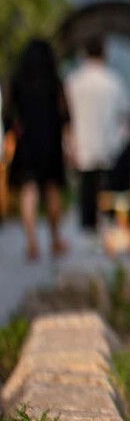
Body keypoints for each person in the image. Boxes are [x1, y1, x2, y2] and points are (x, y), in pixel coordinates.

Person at [5, 38, 70, 261]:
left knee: (28, 190)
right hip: (50, 141)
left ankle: (31, 242)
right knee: (51, 189)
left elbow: (8, 114)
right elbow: (65, 115)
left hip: (26, 141)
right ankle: (54, 239)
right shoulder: (54, 81)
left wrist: (12, 134)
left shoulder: (18, 80)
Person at [65, 36, 130, 234]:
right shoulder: (114, 82)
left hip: (82, 143)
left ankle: (88, 228)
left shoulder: (73, 81)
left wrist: (69, 145)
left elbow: (67, 117)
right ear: (105, 53)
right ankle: (109, 228)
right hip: (109, 145)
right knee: (107, 191)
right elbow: (124, 116)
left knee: (86, 191)